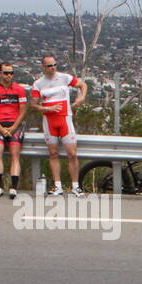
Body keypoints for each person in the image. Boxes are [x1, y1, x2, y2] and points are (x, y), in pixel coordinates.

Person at [29, 55, 86, 196]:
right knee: (53, 154)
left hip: (65, 119)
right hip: (49, 122)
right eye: (49, 65)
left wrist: (81, 98)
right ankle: (57, 185)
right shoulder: (38, 83)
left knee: (72, 154)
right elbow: (33, 104)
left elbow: (83, 85)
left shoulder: (64, 78)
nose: (53, 67)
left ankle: (75, 186)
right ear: (43, 67)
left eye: (54, 64)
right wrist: (45, 109)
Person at [0, 61, 30, 198]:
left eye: (11, 73)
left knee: (14, 153)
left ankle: (13, 187)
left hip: (15, 125)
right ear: (0, 73)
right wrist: (1, 128)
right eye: (6, 73)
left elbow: (23, 111)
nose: (9, 76)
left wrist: (13, 127)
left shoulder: (19, 90)